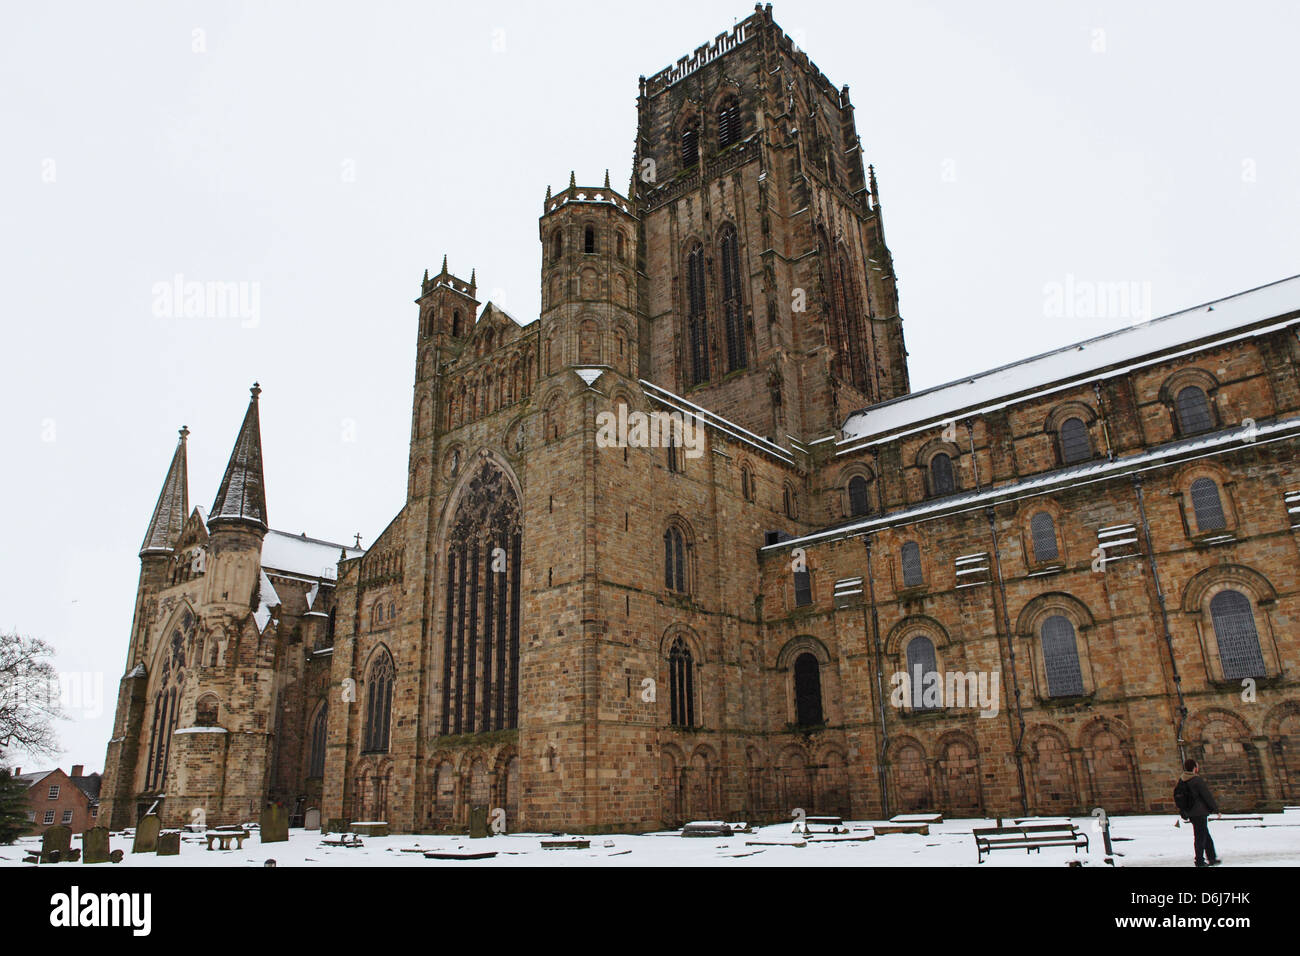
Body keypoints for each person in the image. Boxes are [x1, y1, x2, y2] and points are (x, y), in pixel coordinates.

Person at [1175, 758, 1222, 866]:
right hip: (1199, 812)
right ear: (1195, 768)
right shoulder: (1196, 780)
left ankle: (1212, 858)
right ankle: (1199, 861)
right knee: (1200, 836)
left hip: (1191, 812)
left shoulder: (1182, 780)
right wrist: (1216, 809)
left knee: (1205, 834)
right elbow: (1206, 795)